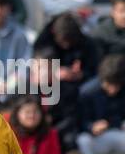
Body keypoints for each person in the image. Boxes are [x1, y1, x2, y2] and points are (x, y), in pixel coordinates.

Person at [32, 13, 100, 145]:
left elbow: (95, 69)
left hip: (74, 87)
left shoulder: (87, 44)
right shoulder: (44, 41)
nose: (66, 46)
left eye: (69, 42)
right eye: (63, 42)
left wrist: (81, 75)